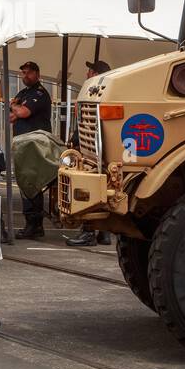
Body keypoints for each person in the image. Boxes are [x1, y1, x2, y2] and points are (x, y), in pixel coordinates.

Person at [66, 60, 113, 247]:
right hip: (103, 151)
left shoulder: (94, 94)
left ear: (95, 74)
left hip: (91, 150)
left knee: (87, 190)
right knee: (104, 189)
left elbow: (87, 124)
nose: (87, 74)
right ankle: (104, 233)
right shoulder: (108, 93)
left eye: (90, 71)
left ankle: (88, 232)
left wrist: (75, 142)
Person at [12, 60, 53, 239]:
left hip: (35, 146)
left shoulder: (39, 93)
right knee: (24, 183)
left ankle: (34, 225)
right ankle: (33, 224)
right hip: (23, 145)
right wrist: (16, 107)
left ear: (37, 74)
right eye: (23, 73)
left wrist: (15, 105)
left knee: (31, 184)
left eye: (28, 73)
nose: (25, 76)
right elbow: (12, 117)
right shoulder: (24, 93)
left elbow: (22, 113)